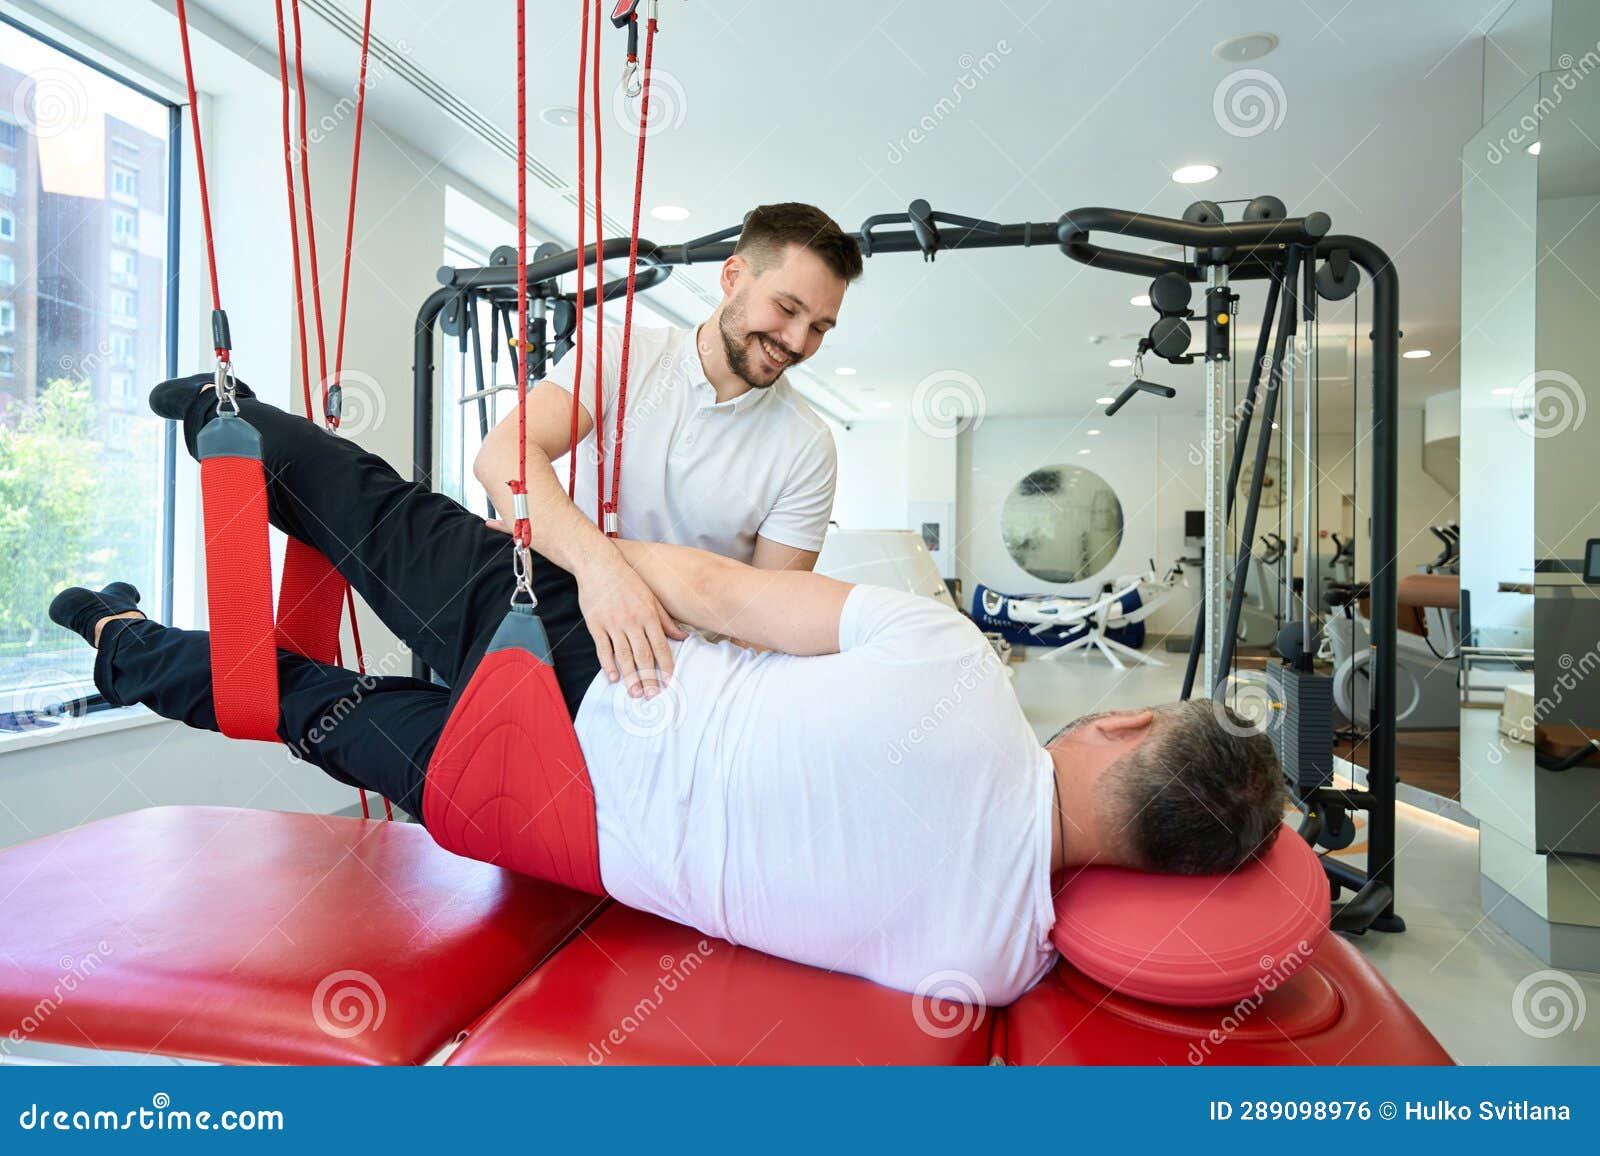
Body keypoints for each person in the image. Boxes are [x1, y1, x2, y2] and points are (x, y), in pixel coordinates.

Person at [52, 383, 1284, 1007]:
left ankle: (220, 417)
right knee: (303, 708)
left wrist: (590, 561)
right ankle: (115, 639)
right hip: (536, 822)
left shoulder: (953, 665)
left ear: (1125, 720)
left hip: (592, 668)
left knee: (385, 523)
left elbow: (713, 587)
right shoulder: (1000, 959)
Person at [474, 202, 863, 699]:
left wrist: (576, 548)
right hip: (560, 635)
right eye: (787, 309)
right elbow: (502, 454)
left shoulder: (808, 446)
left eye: (819, 328)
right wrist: (599, 572)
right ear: (733, 276)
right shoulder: (616, 354)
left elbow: (768, 621)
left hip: (681, 686)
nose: (796, 341)